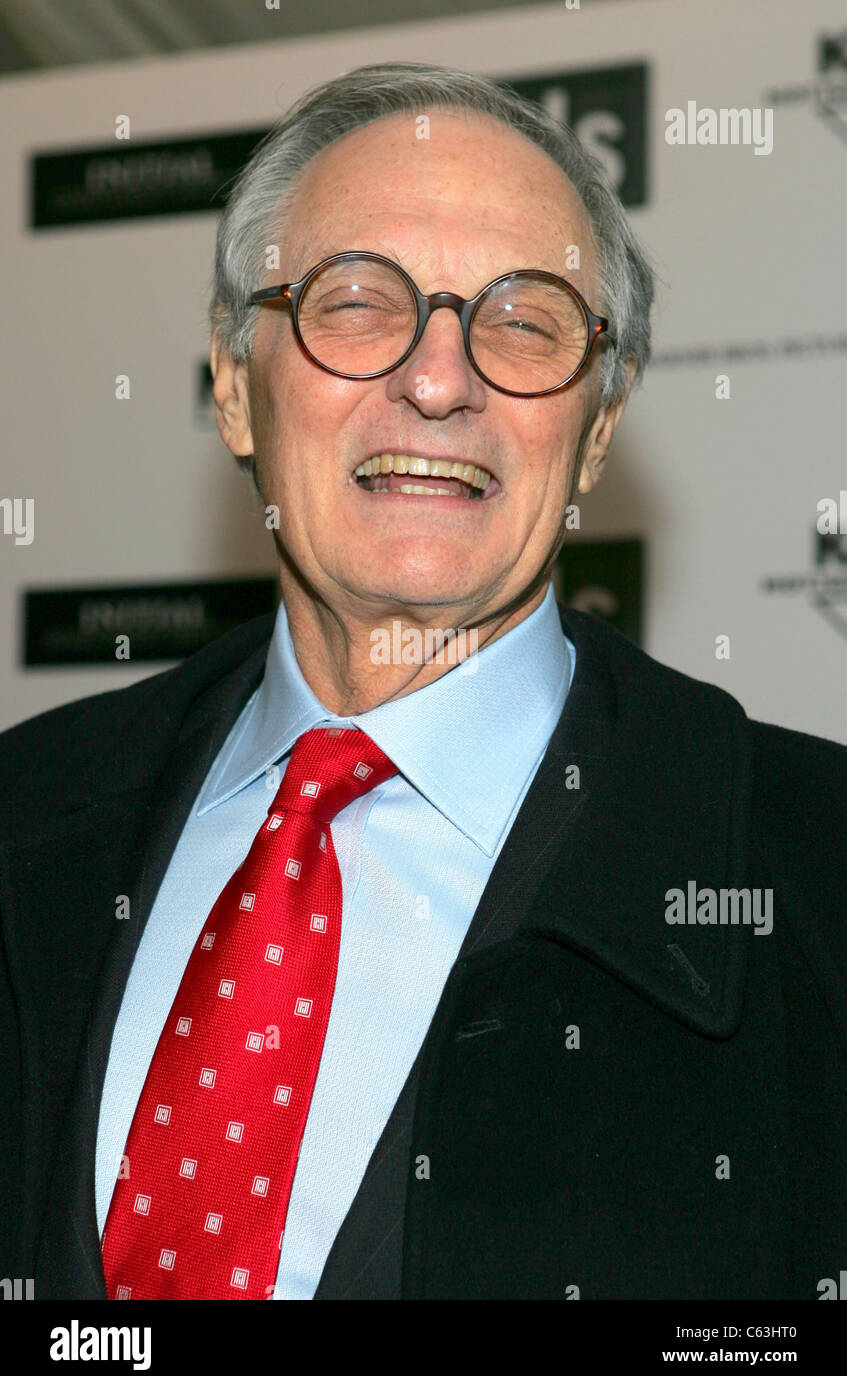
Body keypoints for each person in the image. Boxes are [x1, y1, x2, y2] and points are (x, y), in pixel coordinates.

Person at [1, 61, 844, 1302]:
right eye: (354, 302)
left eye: (521, 319)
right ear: (235, 385)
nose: (439, 379)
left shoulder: (813, 872)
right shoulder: (28, 809)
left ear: (597, 431)